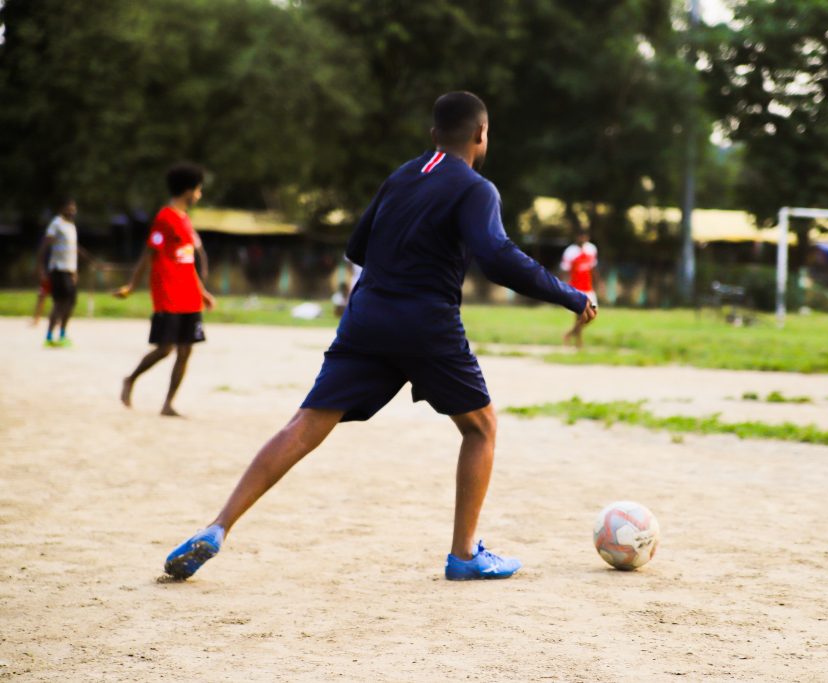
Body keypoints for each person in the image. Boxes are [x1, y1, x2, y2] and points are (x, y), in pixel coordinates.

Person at [163, 91, 597, 582]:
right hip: (427, 322)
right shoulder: (477, 189)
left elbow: (357, 247)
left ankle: (218, 525)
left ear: (434, 135)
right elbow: (497, 257)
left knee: (303, 425)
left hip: (366, 316)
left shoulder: (402, 175)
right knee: (480, 429)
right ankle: (464, 556)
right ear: (481, 133)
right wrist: (570, 295)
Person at [115, 162, 216, 417]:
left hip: (189, 295)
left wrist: (202, 291)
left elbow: (188, 261)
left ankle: (168, 404)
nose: (199, 194)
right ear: (188, 190)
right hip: (169, 294)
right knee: (165, 348)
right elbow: (148, 254)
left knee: (186, 350)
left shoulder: (185, 219)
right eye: (198, 189)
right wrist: (132, 285)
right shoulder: (165, 218)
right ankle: (130, 379)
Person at [37, 198, 84, 346]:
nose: (72, 211)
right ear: (61, 208)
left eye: (74, 208)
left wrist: (75, 271)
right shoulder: (56, 224)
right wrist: (41, 268)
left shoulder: (71, 226)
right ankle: (49, 336)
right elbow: (44, 246)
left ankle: (62, 334)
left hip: (70, 270)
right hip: (58, 269)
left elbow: (73, 249)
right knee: (60, 302)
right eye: (69, 208)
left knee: (71, 302)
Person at [560, 230, 600, 348]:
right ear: (577, 237)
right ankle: (579, 343)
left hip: (588, 288)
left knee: (593, 312)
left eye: (584, 237)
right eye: (581, 237)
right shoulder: (570, 252)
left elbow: (593, 268)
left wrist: (598, 282)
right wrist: (563, 287)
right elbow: (565, 270)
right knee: (580, 315)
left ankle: (569, 334)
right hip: (576, 289)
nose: (583, 239)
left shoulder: (591, 249)